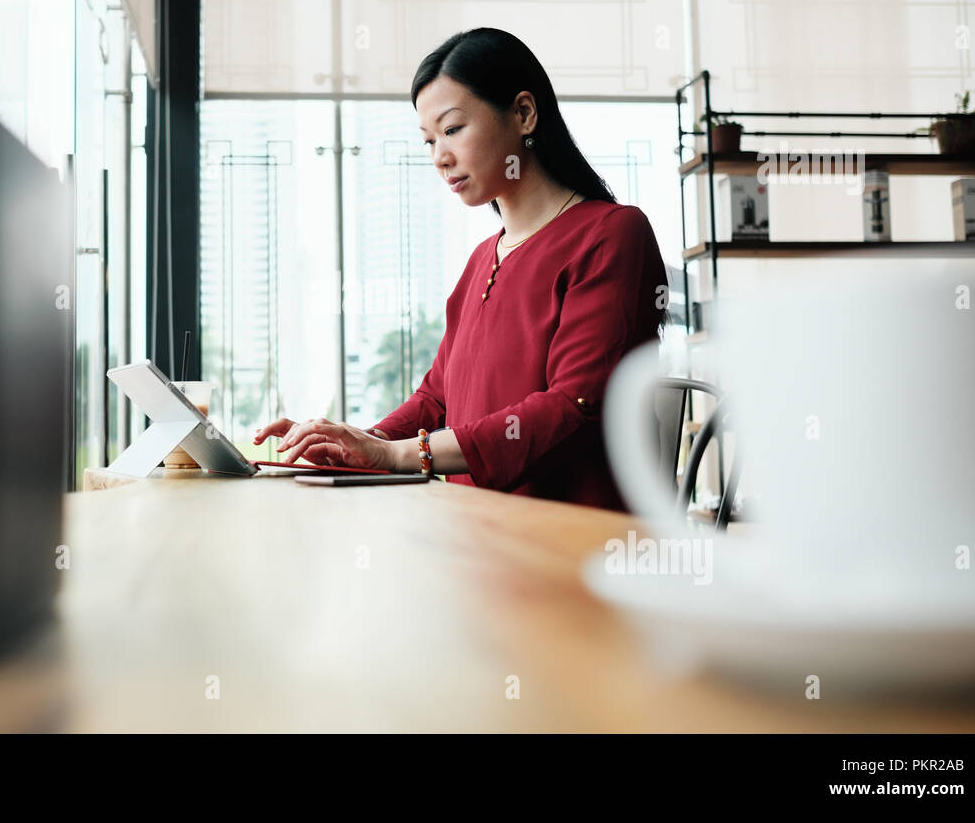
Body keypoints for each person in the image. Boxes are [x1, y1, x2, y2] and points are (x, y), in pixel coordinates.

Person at [253, 27, 667, 511]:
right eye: (429, 140)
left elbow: (572, 406)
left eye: (452, 130)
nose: (440, 157)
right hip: (476, 534)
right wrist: (349, 442)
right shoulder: (481, 260)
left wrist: (395, 454)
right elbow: (435, 399)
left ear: (524, 114)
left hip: (568, 543)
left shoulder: (612, 233)